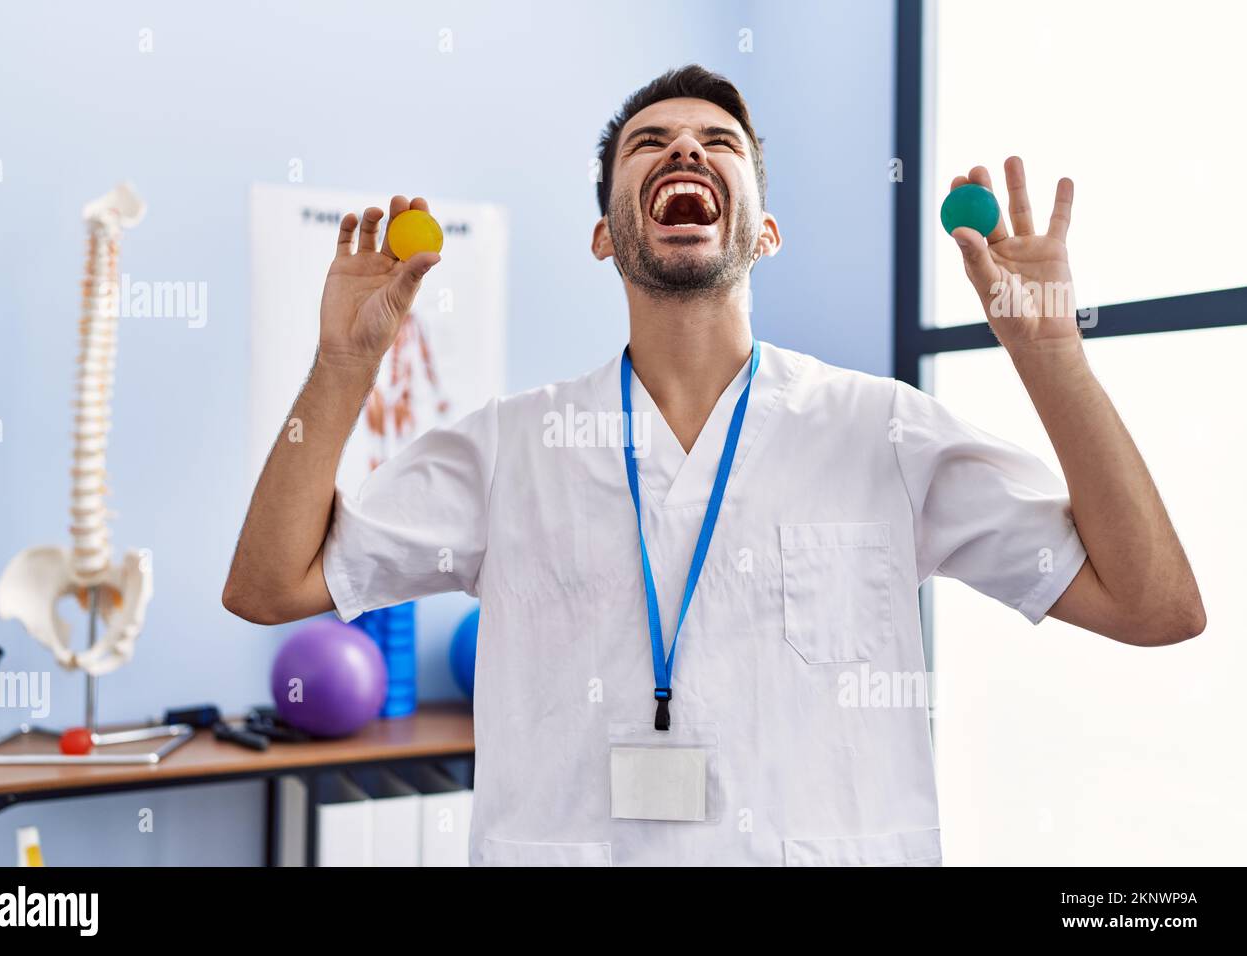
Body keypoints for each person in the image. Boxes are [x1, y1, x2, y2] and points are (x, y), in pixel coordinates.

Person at [223, 65, 1204, 866]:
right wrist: (343, 365)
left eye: (717, 143)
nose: (683, 149)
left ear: (762, 233)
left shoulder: (886, 432)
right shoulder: (506, 448)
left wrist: (1050, 353)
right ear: (608, 235)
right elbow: (271, 585)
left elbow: (1152, 605)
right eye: (647, 144)